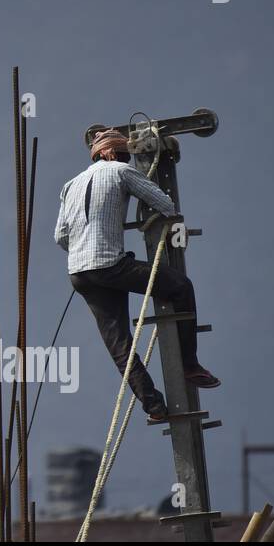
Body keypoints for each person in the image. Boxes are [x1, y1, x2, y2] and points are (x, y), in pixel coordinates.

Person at [54, 128, 221, 420]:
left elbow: (60, 236)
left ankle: (154, 406)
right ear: (115, 154)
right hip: (111, 266)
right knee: (180, 287)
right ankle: (190, 365)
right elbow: (165, 204)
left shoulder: (70, 185)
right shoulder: (122, 172)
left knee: (120, 344)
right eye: (124, 155)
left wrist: (83, 247)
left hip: (79, 273)